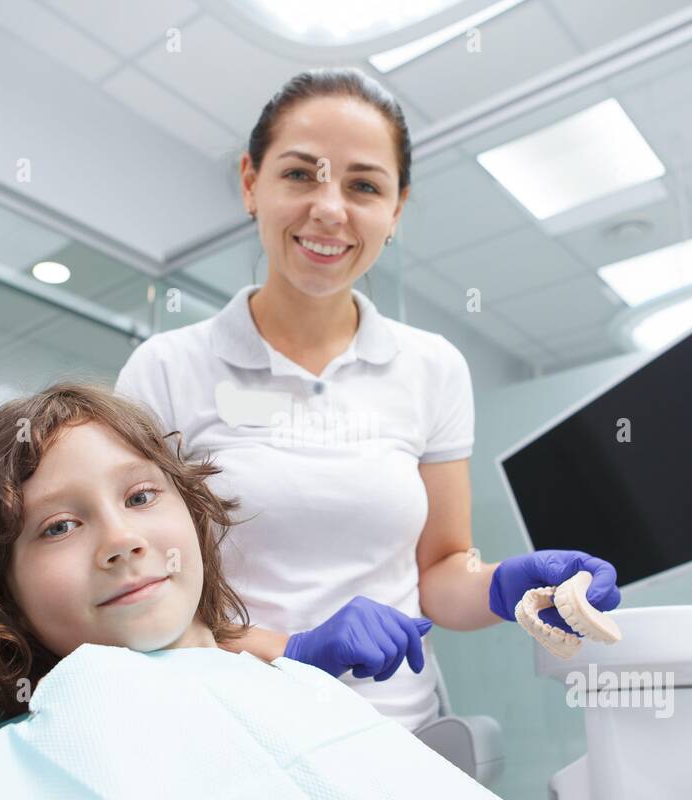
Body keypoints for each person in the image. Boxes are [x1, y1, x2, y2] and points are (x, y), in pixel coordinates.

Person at [0, 380, 692, 800]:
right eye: (59, 526)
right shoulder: (95, 708)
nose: (120, 539)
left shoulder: (254, 684)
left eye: (142, 495)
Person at [114, 66, 620, 733]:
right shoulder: (167, 370)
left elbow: (439, 572)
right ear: (250, 183)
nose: (330, 208)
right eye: (300, 174)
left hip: (401, 737)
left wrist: (506, 585)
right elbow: (136, 599)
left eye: (363, 186)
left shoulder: (433, 369)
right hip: (233, 727)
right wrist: (291, 653)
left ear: (395, 211)